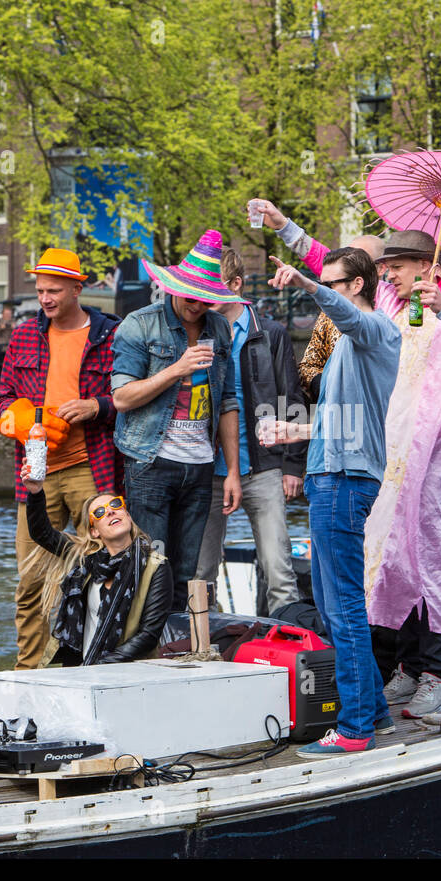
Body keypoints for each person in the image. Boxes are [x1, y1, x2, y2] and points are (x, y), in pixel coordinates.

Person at [260, 200, 441, 724]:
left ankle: (436, 671)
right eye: (385, 265)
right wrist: (288, 229)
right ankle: (399, 668)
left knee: (430, 557)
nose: (386, 270)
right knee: (383, 561)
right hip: (380, 454)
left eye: (394, 263)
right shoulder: (390, 303)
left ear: (426, 266)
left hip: (427, 461)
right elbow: (345, 274)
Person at [260, 245, 400, 757]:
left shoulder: (375, 329)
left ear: (357, 286)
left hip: (343, 481)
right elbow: (347, 421)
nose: (326, 300)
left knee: (342, 607)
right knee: (331, 600)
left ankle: (355, 727)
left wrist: (302, 282)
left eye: (333, 285)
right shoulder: (348, 346)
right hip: (330, 473)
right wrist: (294, 428)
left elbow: (340, 311)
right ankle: (375, 709)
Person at [0, 247, 120, 670]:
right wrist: (17, 418)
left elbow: (126, 398)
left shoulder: (109, 334)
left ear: (76, 288)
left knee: (103, 570)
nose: (45, 298)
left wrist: (95, 406)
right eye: (40, 290)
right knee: (31, 578)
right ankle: (29, 669)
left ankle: (96, 662)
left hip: (93, 466)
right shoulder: (23, 336)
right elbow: (4, 400)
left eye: (53, 290)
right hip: (36, 473)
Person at [112, 230, 243, 611]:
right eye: (191, 297)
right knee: (150, 572)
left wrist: (231, 470)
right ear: (174, 287)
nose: (197, 306)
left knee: (188, 574)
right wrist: (176, 369)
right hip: (151, 462)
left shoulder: (218, 329)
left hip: (200, 466)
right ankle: (144, 657)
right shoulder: (139, 324)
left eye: (206, 299)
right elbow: (121, 398)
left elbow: (229, 402)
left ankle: (177, 651)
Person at [196, 248, 306, 615]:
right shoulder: (196, 335)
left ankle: (287, 636)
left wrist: (292, 465)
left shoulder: (270, 333)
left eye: (212, 289)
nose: (204, 298)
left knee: (279, 566)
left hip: (264, 463)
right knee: (202, 569)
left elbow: (290, 395)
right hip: (209, 468)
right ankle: (201, 643)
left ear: (236, 285)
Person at [21, 467, 171, 666]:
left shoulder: (156, 566)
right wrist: (36, 492)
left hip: (130, 671)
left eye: (115, 504)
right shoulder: (86, 560)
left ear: (126, 514)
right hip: (82, 668)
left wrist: (101, 666)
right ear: (94, 532)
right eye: (99, 513)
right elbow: (42, 533)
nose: (110, 511)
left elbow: (149, 634)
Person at [296, 235, 386, 401]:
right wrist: (323, 384)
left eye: (361, 259)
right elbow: (308, 365)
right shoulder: (327, 316)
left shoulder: (386, 315)